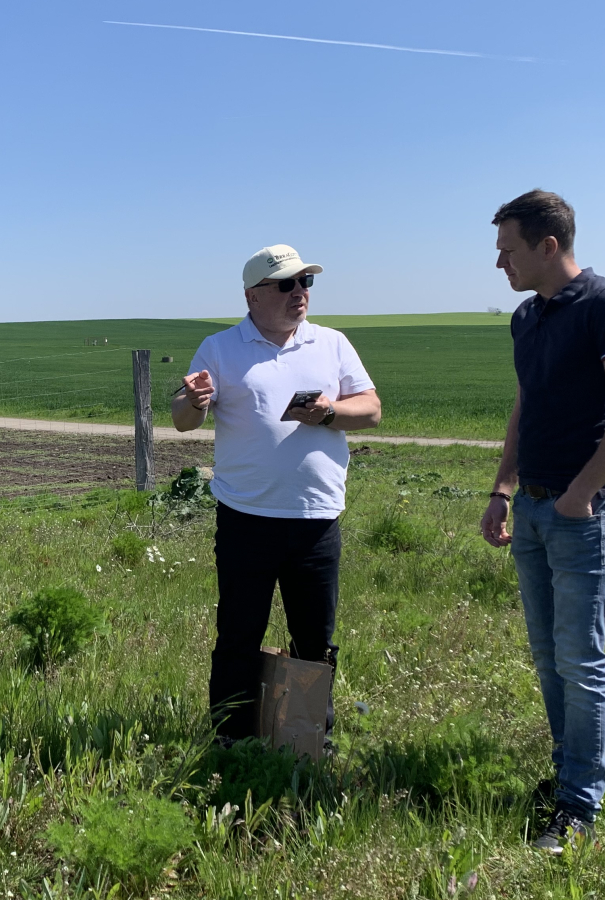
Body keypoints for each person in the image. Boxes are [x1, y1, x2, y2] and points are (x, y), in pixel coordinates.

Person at [479, 190, 605, 853]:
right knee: (549, 655)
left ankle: (580, 808)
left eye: (509, 250)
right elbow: (525, 407)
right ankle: (568, 773)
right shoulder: (527, 316)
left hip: (586, 510)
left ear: (548, 245)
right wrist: (503, 488)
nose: (500, 263)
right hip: (531, 506)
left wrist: (581, 493)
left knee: (581, 660)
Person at [173, 244, 381, 745]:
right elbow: (183, 419)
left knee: (315, 641)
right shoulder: (220, 348)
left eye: (305, 282)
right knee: (239, 634)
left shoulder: (331, 343)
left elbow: (371, 409)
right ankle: (230, 741)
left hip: (316, 518)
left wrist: (329, 413)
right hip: (246, 516)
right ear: (253, 295)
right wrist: (194, 401)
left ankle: (309, 741)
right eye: (287, 284)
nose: (299, 292)